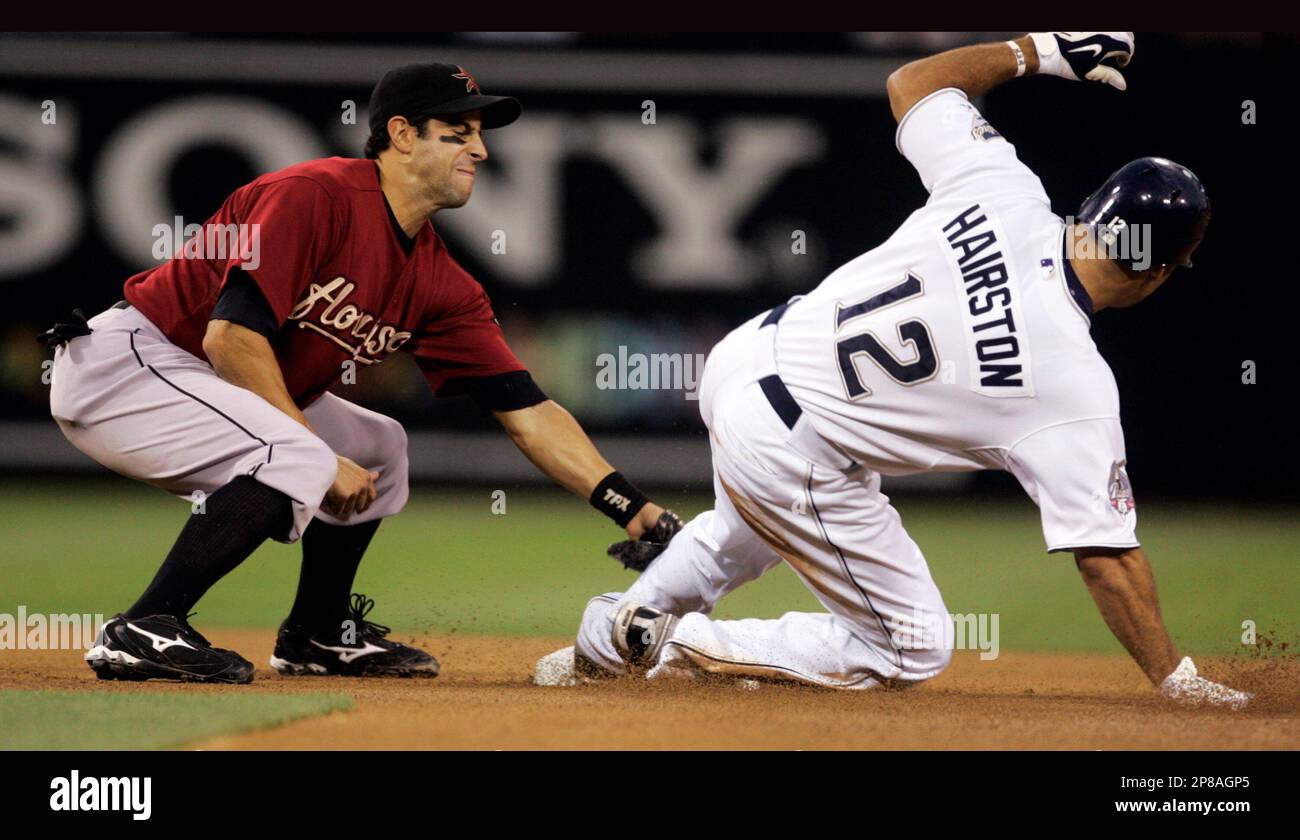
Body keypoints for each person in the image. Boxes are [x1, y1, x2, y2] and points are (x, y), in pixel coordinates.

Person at [553, 33, 1249, 709]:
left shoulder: (1003, 187)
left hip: (748, 355)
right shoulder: (1073, 383)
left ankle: (601, 645)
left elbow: (911, 84)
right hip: (794, 440)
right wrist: (1174, 679)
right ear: (1160, 273)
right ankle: (653, 640)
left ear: (1095, 209)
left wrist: (1043, 50)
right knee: (910, 645)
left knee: (754, 526)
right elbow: (1106, 557)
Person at [41, 62, 678, 684]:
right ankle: (148, 624)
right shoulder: (314, 196)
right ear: (401, 135)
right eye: (459, 133)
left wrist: (634, 510)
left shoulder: (440, 282)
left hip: (196, 378)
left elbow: (529, 414)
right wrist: (313, 451)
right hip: (128, 365)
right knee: (303, 452)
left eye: (481, 134)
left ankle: (318, 632)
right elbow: (230, 338)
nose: (480, 151)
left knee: (378, 446)